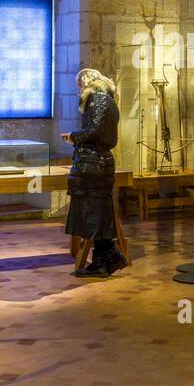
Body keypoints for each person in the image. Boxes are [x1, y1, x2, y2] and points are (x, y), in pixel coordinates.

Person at [62, 68, 126, 278]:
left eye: (79, 85)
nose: (79, 90)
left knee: (93, 214)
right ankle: (105, 259)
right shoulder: (106, 98)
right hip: (98, 163)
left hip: (94, 164)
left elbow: (94, 130)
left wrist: (74, 136)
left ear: (86, 82)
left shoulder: (97, 98)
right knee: (97, 213)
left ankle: (106, 259)